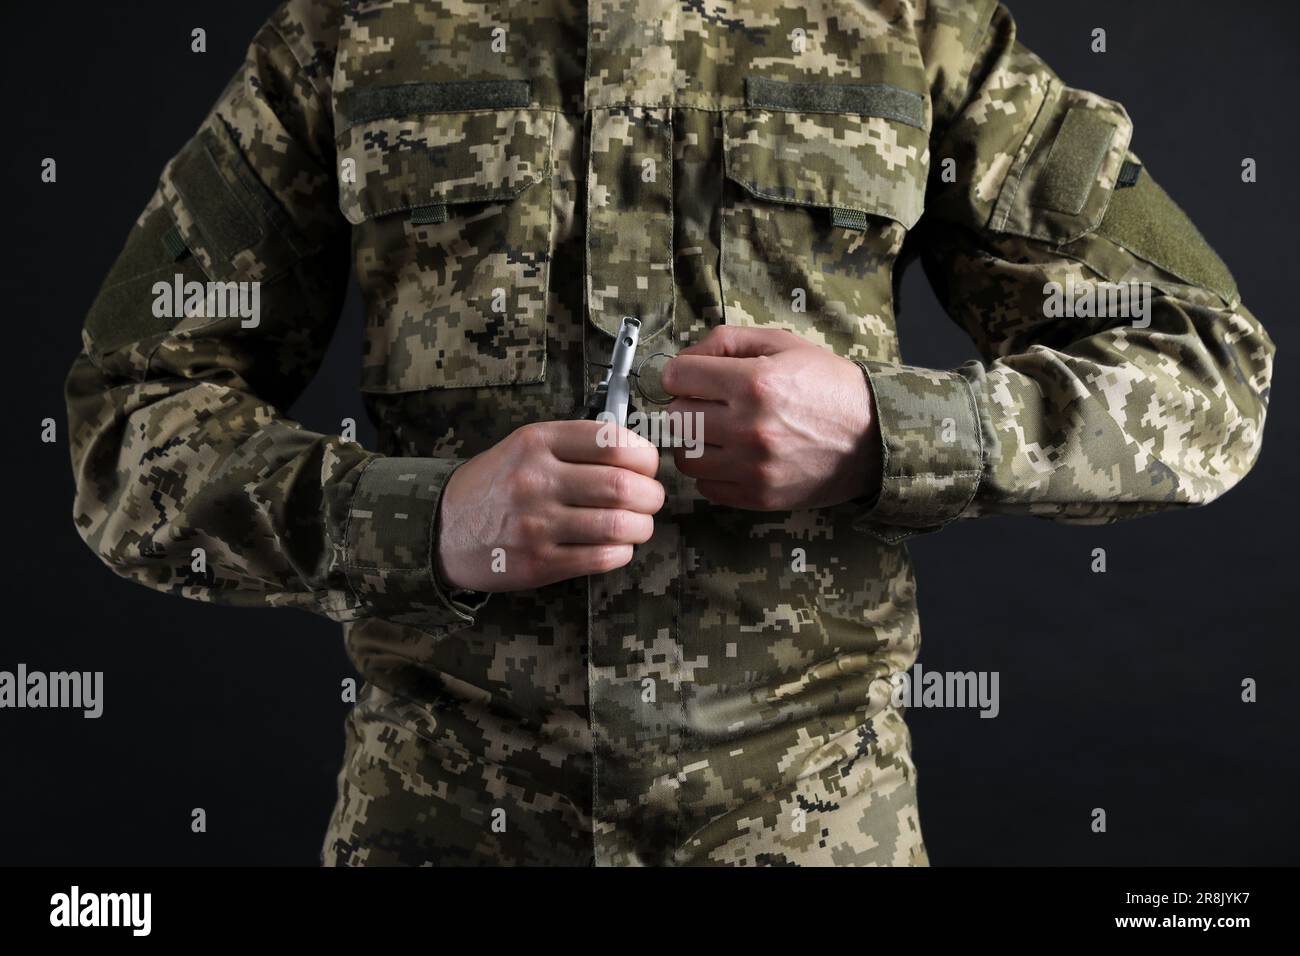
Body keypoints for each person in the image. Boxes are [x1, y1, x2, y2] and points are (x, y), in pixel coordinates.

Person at [65, 0, 1273, 866]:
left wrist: (888, 428)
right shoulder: (348, 32)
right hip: (436, 825)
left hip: (815, 831)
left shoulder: (920, 27)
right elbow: (125, 425)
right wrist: (422, 519)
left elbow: (1209, 369)